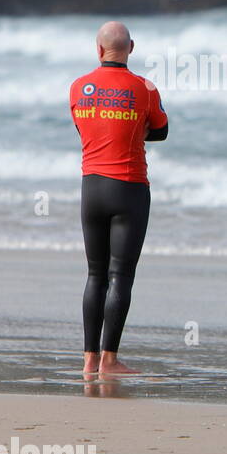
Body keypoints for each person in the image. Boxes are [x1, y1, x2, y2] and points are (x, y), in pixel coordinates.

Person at [70, 21, 168, 376]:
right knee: (121, 275)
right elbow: (160, 131)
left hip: (91, 188)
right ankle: (110, 359)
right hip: (129, 188)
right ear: (132, 48)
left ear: (99, 49)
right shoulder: (144, 88)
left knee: (95, 274)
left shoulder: (78, 87)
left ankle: (88, 360)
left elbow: (85, 128)